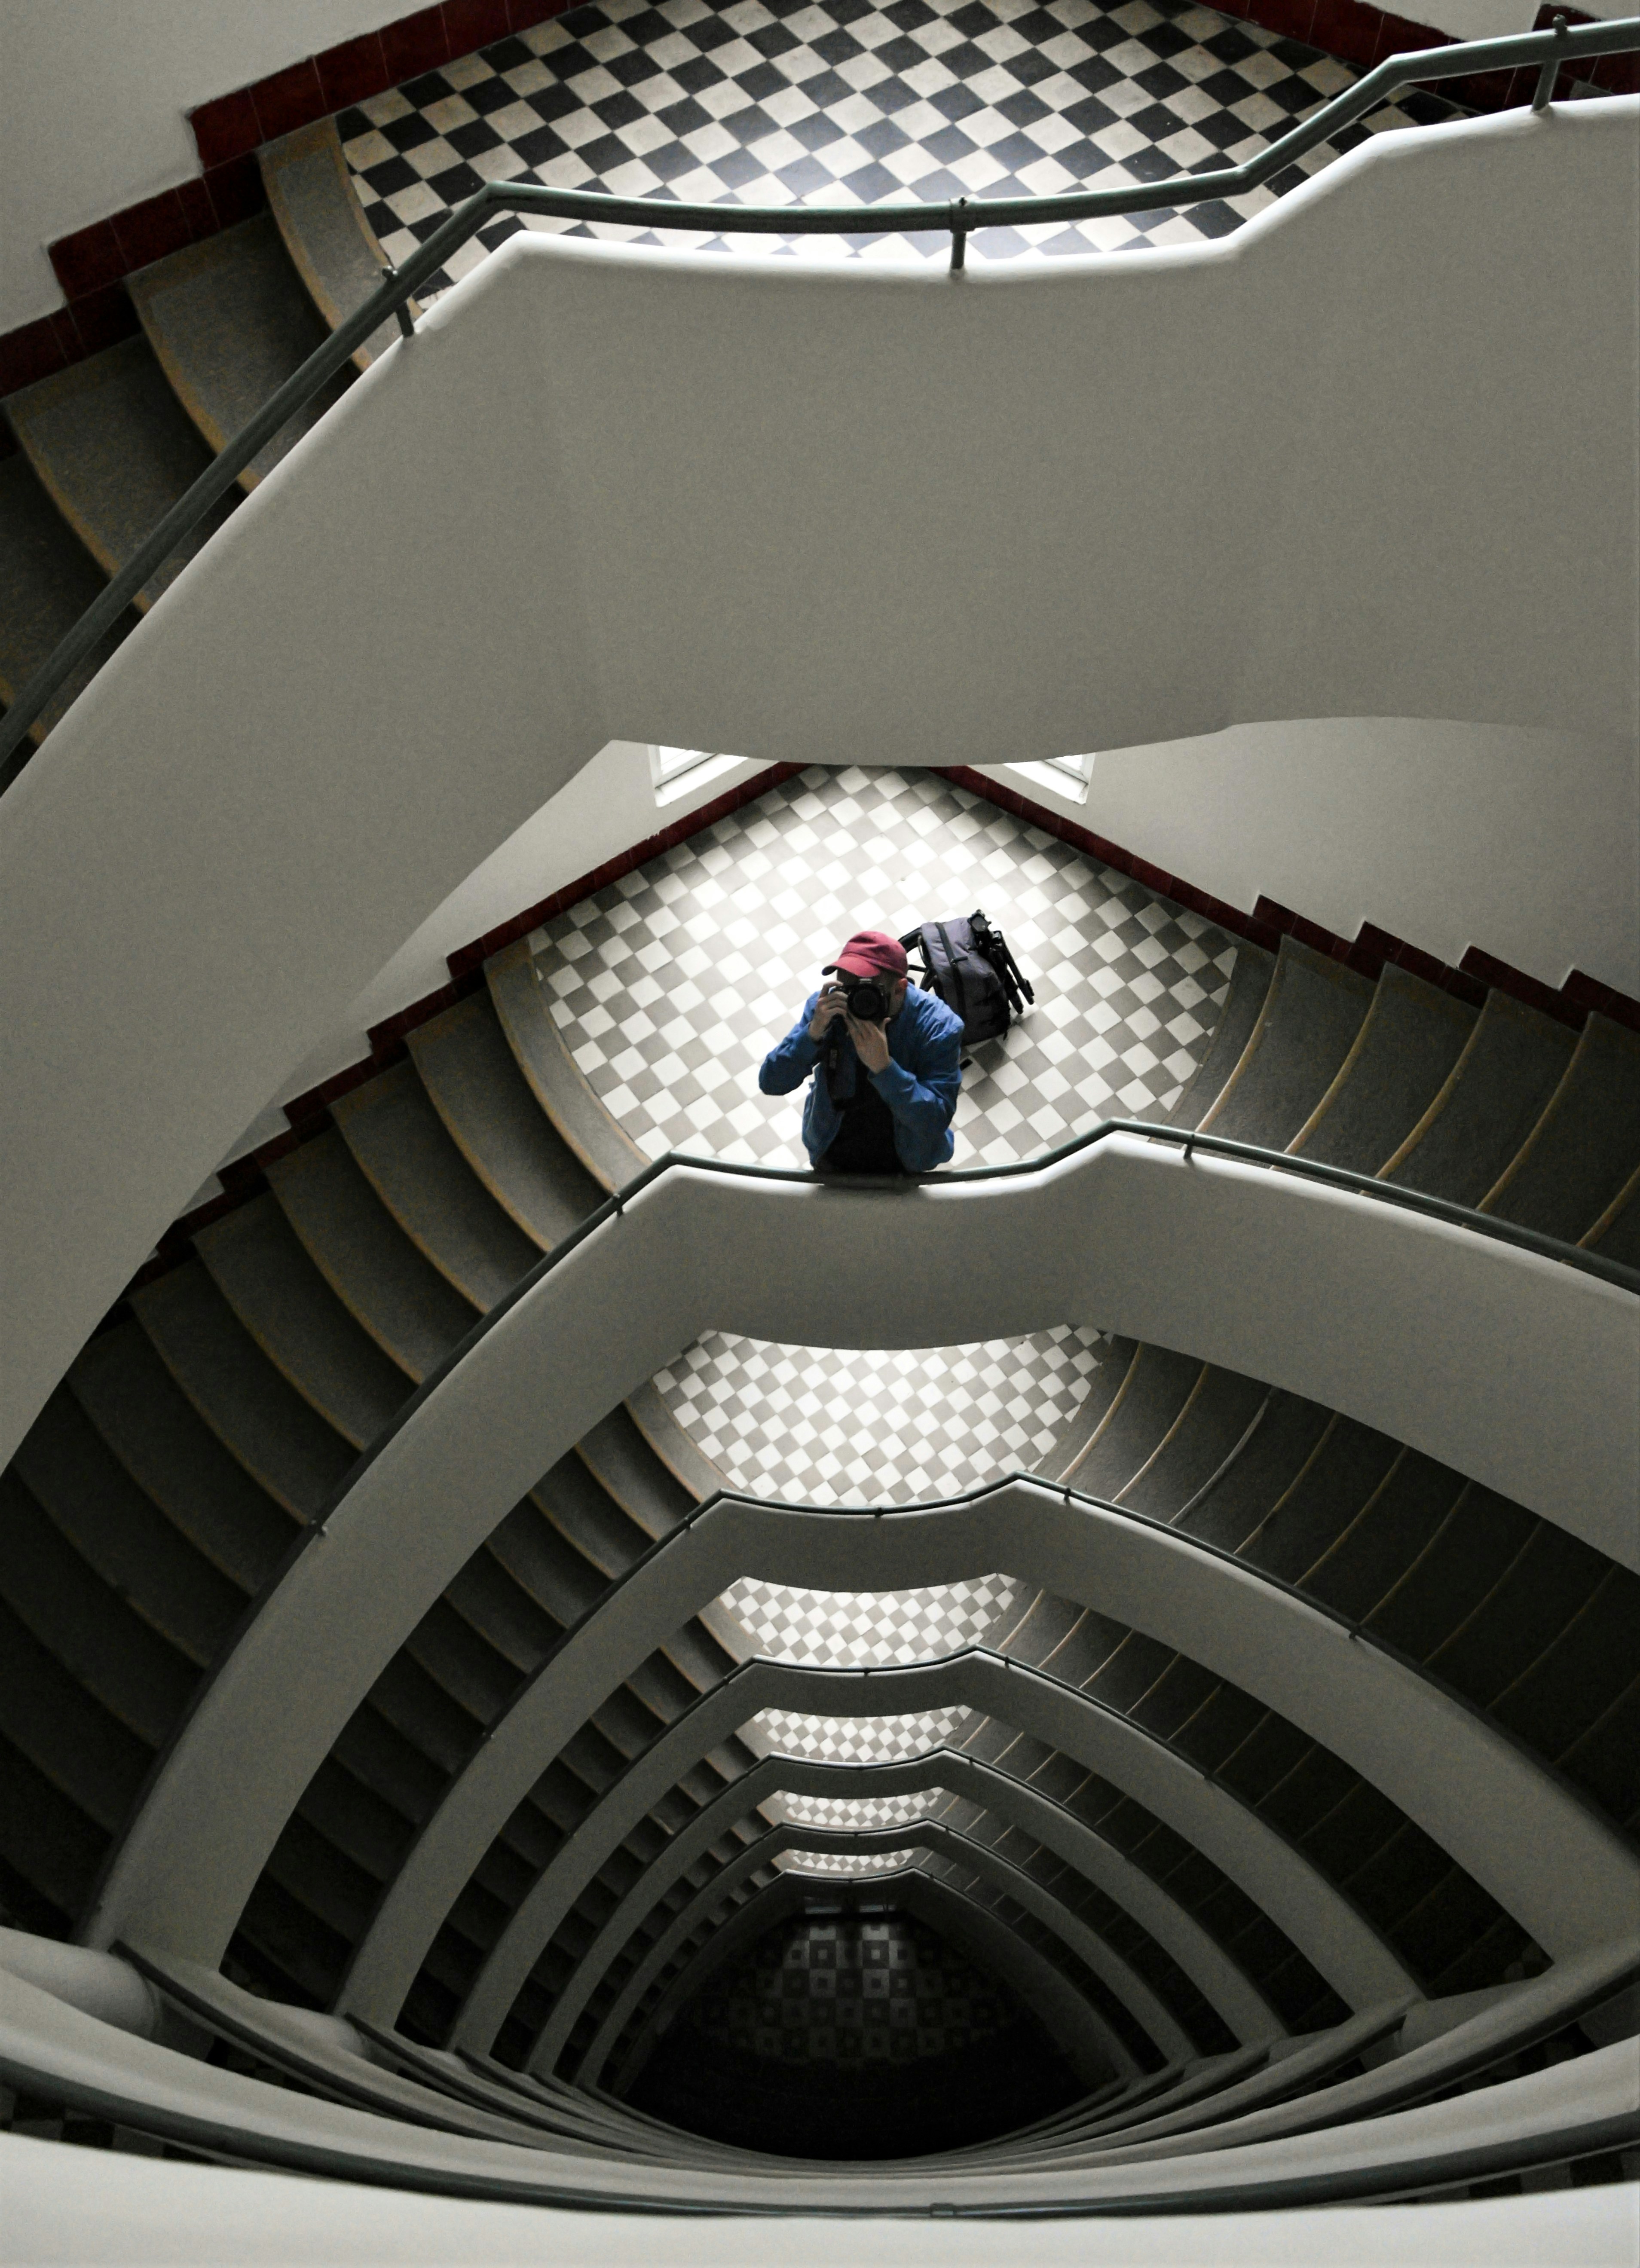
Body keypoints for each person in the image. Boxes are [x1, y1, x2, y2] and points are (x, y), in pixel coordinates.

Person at [759, 929, 963, 1175]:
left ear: (900, 989)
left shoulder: (939, 1026)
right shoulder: (829, 1008)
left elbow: (934, 1123)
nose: (855, 1001)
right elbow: (771, 1082)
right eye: (848, 989)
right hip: (832, 1147)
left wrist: (885, 1069)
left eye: (868, 992)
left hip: (906, 1159)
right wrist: (812, 1034)